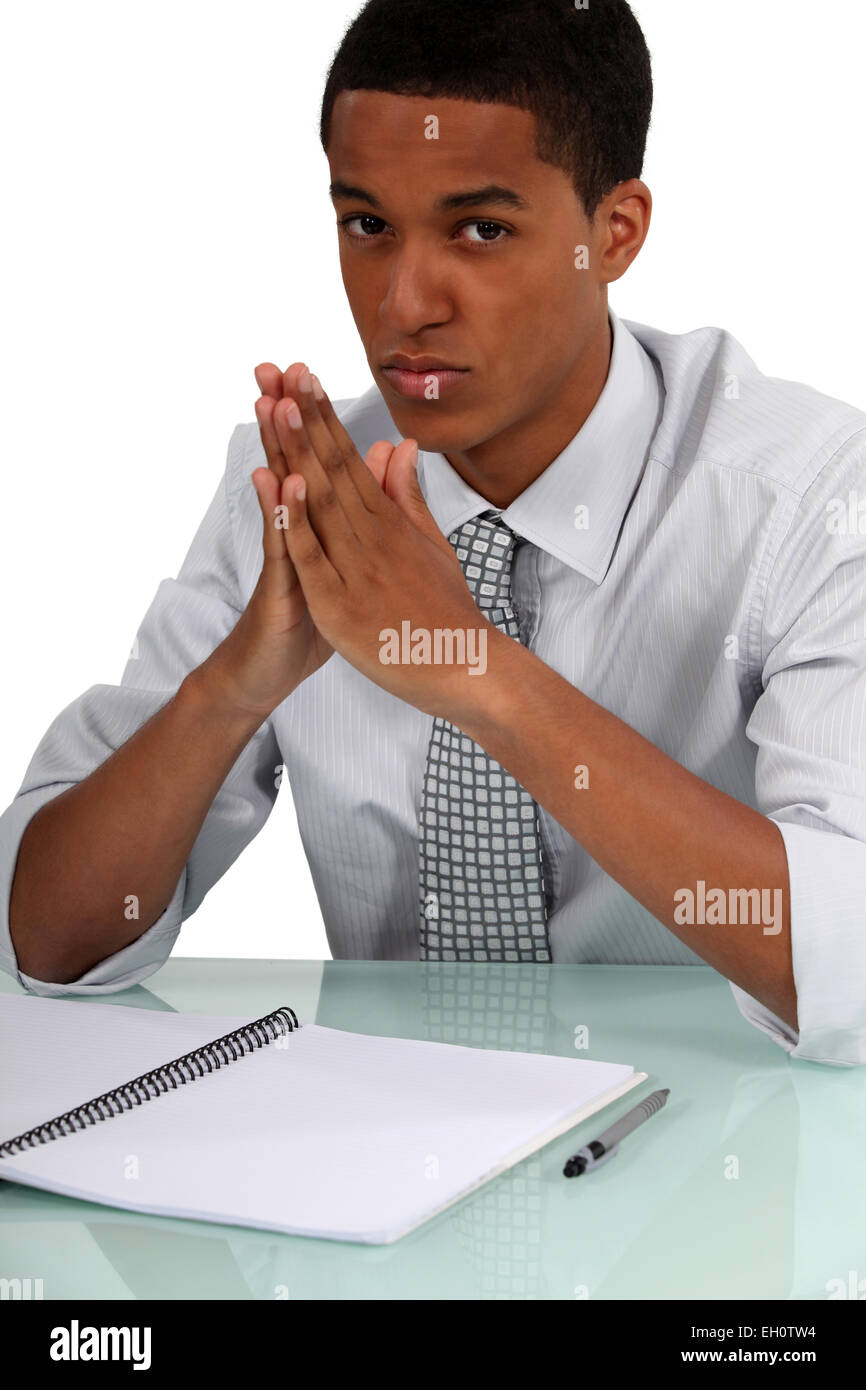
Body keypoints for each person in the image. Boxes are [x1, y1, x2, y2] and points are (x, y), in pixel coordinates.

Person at [2, 0, 865, 1066]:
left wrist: (477, 672)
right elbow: (46, 941)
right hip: (387, 1187)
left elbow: (852, 963)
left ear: (615, 233)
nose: (403, 303)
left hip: (725, 1175)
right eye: (365, 224)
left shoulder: (810, 498)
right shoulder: (296, 492)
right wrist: (236, 681)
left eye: (480, 230)